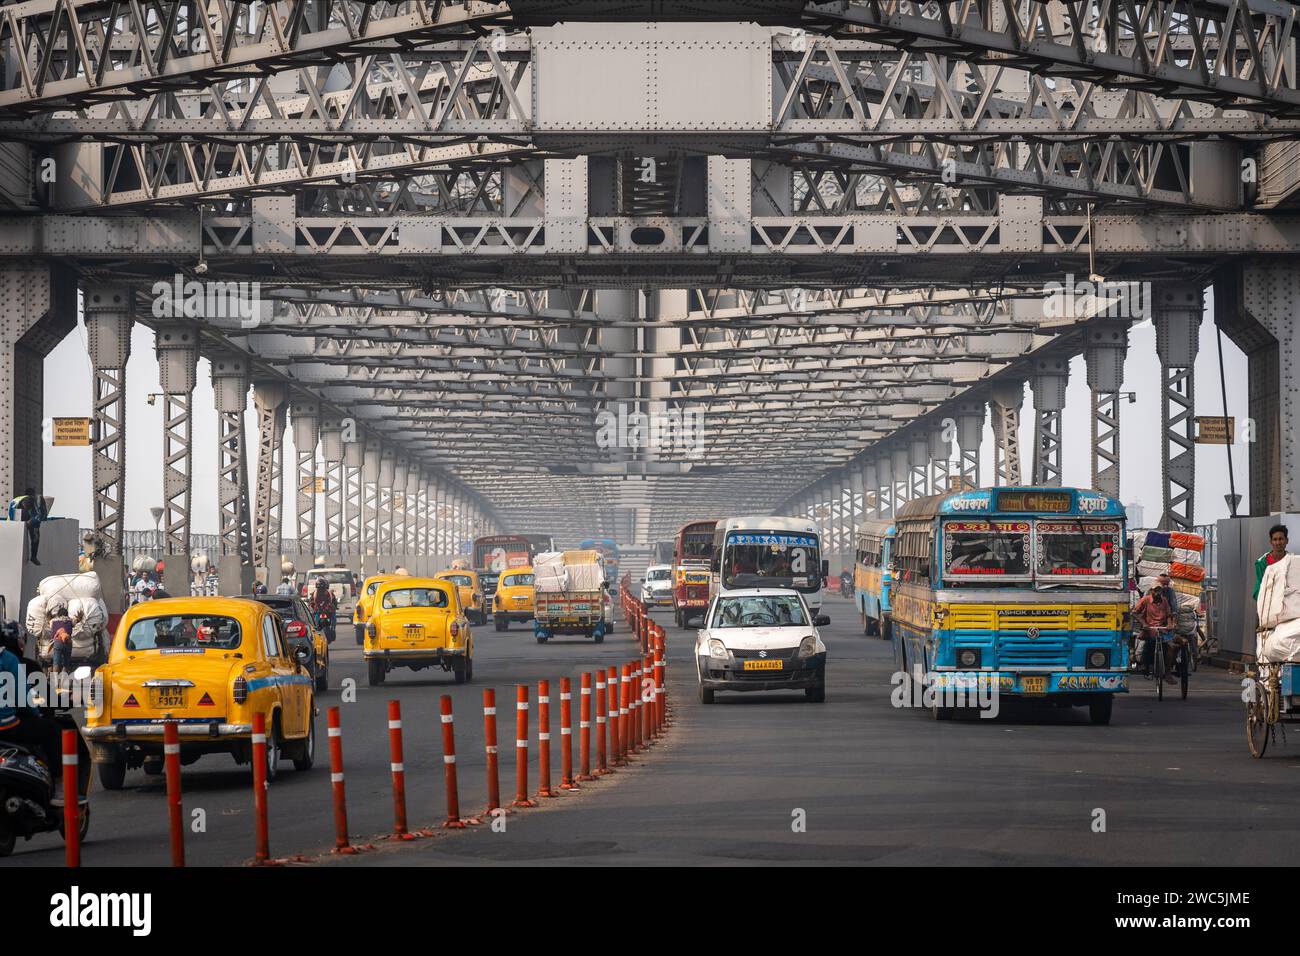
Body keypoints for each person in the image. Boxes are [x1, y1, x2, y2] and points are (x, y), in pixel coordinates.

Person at [0, 625, 66, 798]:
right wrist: (36, 715)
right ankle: (59, 785)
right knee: (52, 730)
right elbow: (24, 700)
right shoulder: (9, 660)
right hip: (8, 728)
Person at [1134, 573, 1180, 683]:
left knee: (1172, 646)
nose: (1158, 592)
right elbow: (1135, 612)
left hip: (1163, 629)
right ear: (1152, 590)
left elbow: (1170, 613)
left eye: (1160, 590)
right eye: (1156, 590)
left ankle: (1168, 672)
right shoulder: (1145, 599)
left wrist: (1170, 624)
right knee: (1148, 645)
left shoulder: (1165, 599)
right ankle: (1146, 665)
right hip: (1149, 629)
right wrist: (1144, 623)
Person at [8, 487, 47, 565]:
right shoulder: (34, 498)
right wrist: (32, 521)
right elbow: (39, 514)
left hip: (13, 521)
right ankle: (33, 557)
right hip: (21, 519)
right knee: (35, 536)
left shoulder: (17, 499)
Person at [1254, 524, 1291, 600]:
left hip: (1289, 606)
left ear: (1287, 540)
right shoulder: (1262, 563)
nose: (1278, 542)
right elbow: (1259, 591)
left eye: (1281, 539)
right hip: (1269, 606)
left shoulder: (1292, 561)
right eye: (1275, 539)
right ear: (1271, 541)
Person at [47, 601, 74, 677]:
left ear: (58, 614)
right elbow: (76, 621)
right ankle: (63, 682)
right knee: (66, 663)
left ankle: (55, 681)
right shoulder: (70, 621)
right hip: (67, 643)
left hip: (57, 642)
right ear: (66, 614)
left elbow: (49, 622)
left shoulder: (53, 621)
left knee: (56, 662)